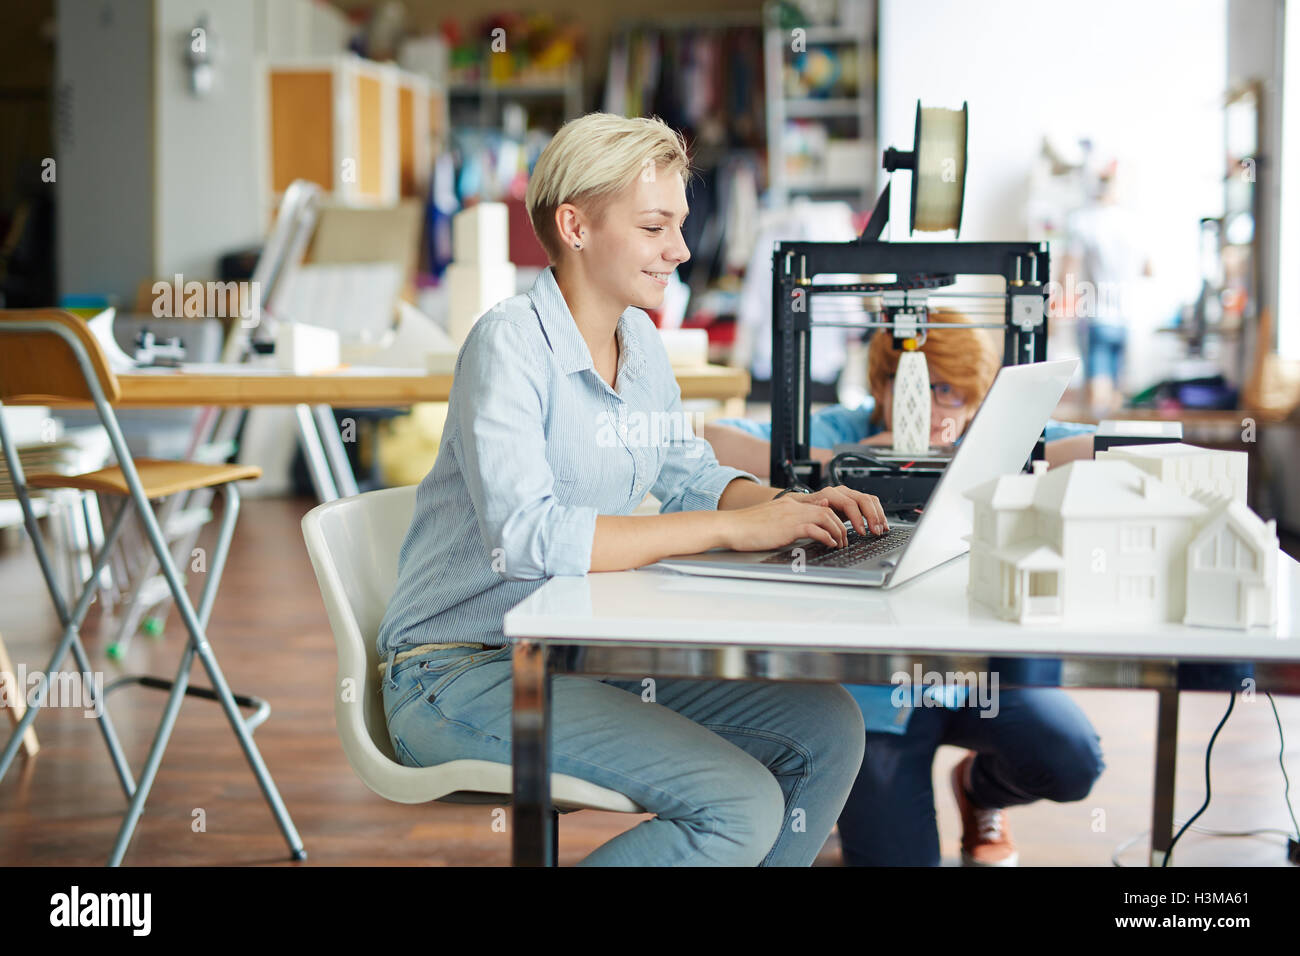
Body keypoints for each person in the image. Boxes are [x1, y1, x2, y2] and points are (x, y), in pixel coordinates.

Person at [377, 112, 889, 866]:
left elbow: (690, 475)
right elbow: (526, 537)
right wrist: (730, 531)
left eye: (679, 225)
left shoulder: (640, 343)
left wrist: (786, 509)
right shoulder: (509, 345)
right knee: (737, 806)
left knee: (828, 727)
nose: (680, 250)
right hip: (459, 672)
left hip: (571, 651)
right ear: (575, 225)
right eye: (656, 227)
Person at [705, 316, 1105, 866]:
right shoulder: (848, 429)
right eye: (918, 387)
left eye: (952, 391)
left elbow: (1103, 446)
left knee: (1070, 758)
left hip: (975, 682)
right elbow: (716, 441)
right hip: (875, 697)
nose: (935, 407)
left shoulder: (987, 431)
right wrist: (858, 461)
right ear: (881, 388)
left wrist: (991, 456)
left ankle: (980, 791)